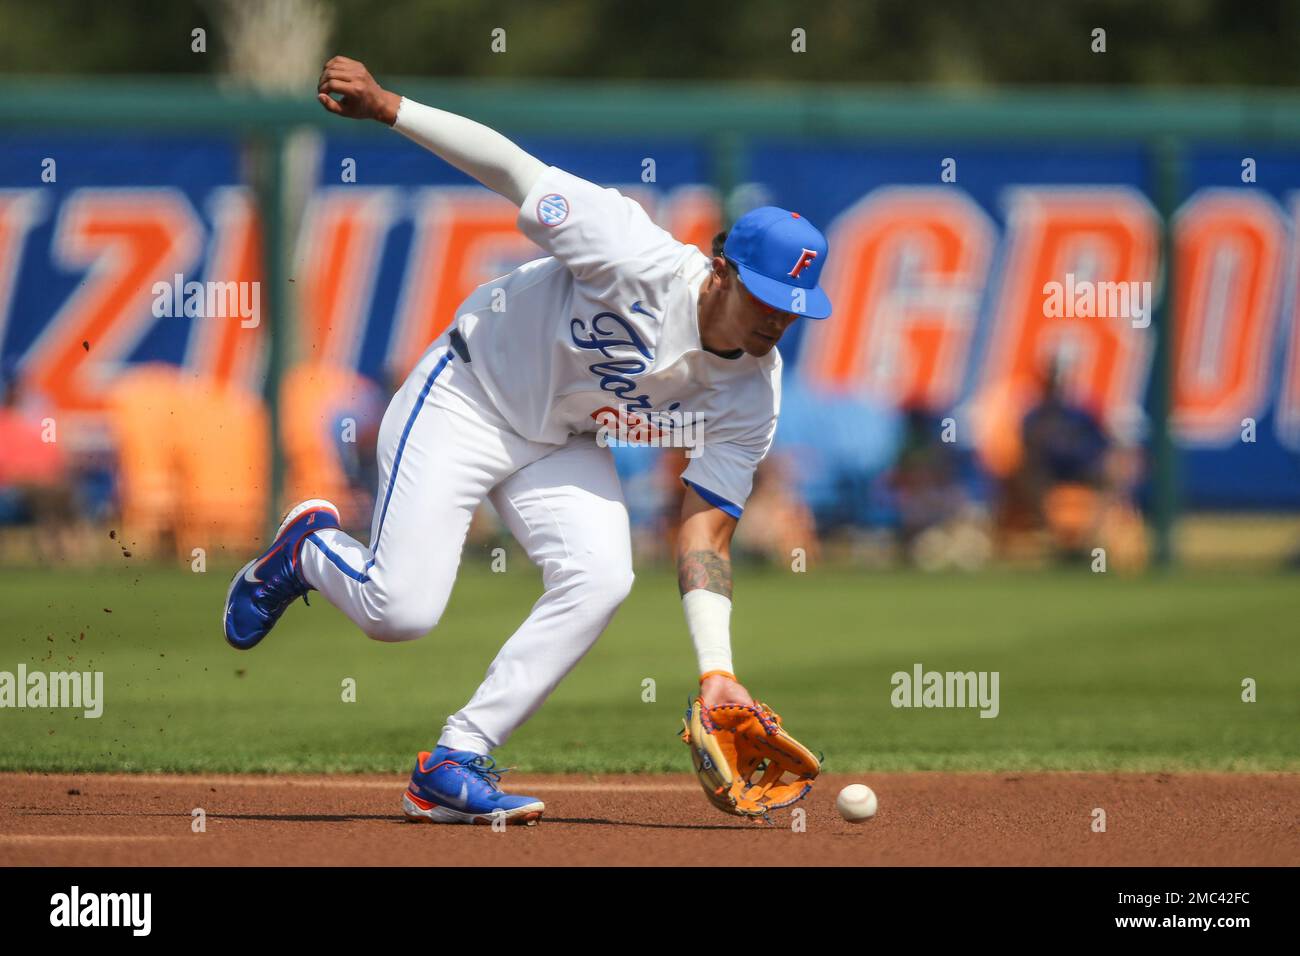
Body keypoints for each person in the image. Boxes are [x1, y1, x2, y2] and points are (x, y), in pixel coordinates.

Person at [222, 56, 832, 825]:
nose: (780, 318)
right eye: (768, 296)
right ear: (720, 272)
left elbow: (707, 525)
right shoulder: (627, 250)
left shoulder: (754, 389)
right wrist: (389, 108)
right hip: (468, 394)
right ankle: (307, 547)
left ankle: (454, 758)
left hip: (561, 437)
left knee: (602, 577)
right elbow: (513, 168)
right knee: (398, 611)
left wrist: (718, 672)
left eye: (796, 307)